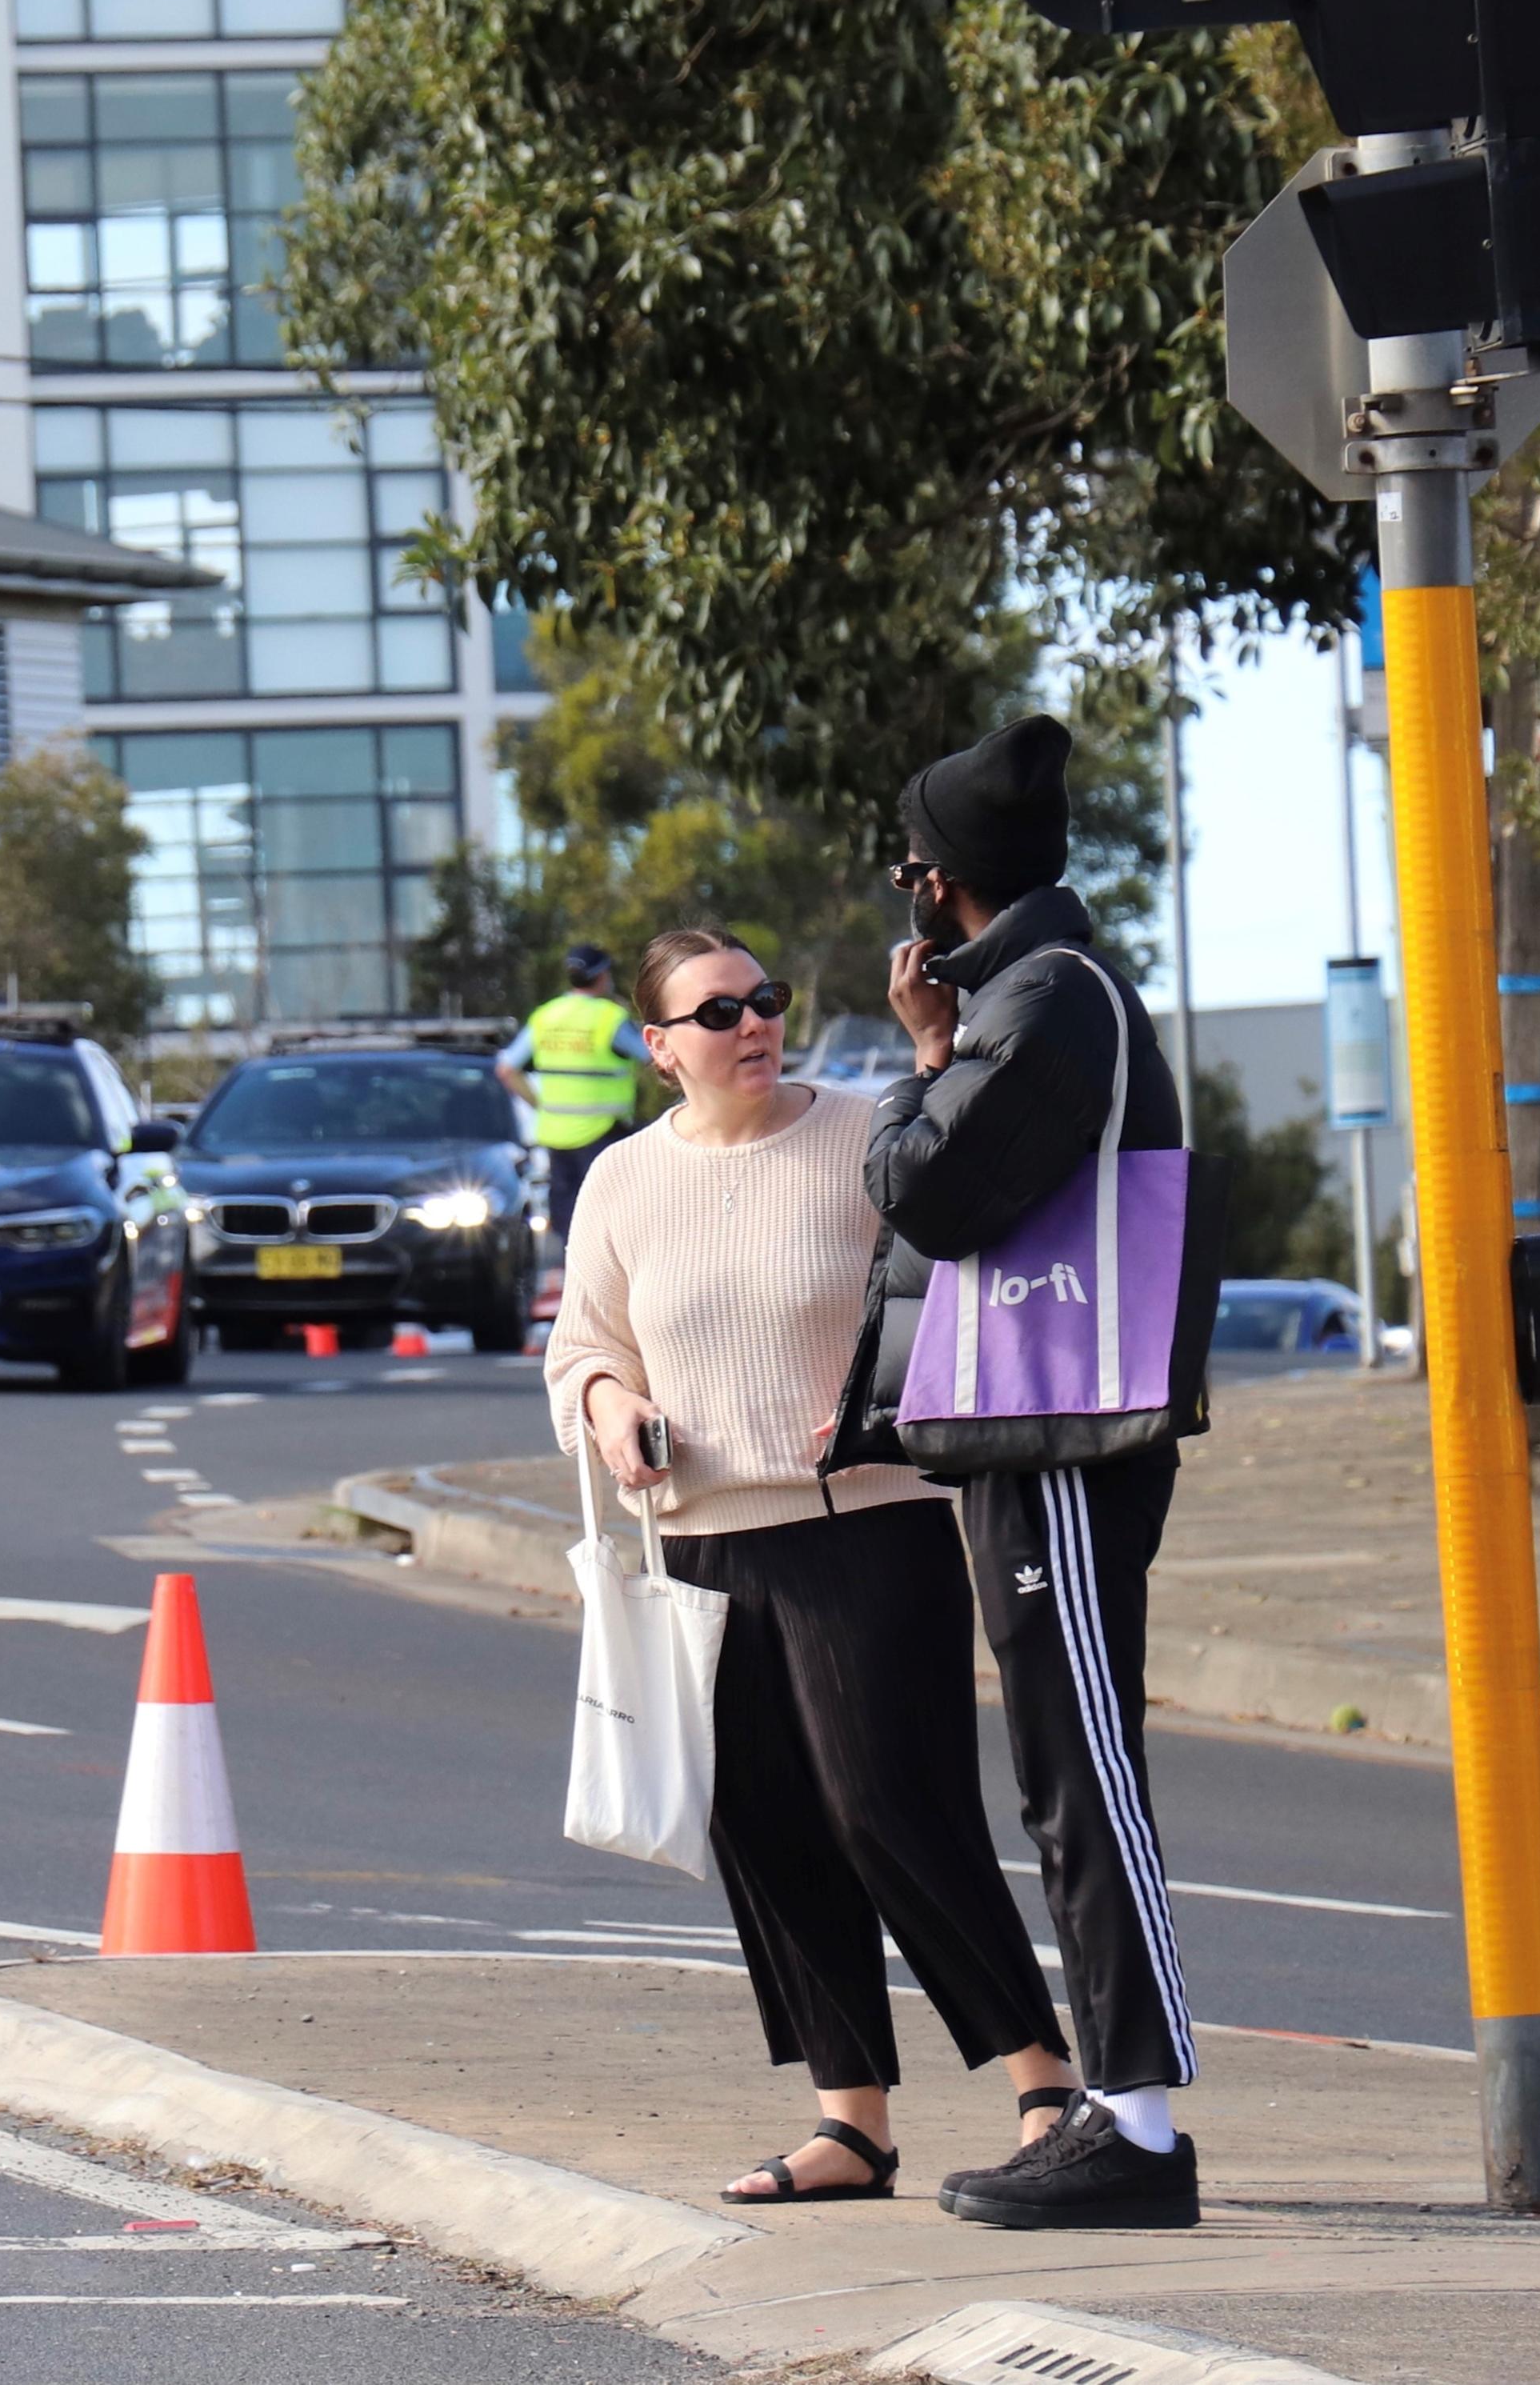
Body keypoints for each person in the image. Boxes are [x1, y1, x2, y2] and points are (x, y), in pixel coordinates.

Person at [549, 926, 1077, 2207]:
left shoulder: (858, 1134)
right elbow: (583, 1349)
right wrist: (613, 1406)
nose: (752, 1025)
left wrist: (934, 1057)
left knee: (890, 1806)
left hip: (865, 1523)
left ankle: (1047, 2085)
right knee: (767, 1825)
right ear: (659, 1046)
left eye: (765, 1000)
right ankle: (853, 2123)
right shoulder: (621, 1179)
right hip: (701, 1541)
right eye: (717, 1012)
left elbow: (961, 1260)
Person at [845, 714, 1204, 2231]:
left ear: (942, 881)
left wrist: (920, 1064)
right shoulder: (1040, 991)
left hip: (1059, 1426)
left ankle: (1141, 2127)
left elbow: (930, 1194)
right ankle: (1118, 2112)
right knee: (1063, 1769)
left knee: (1084, 1767)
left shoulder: (1051, 999)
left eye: (909, 869)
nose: (907, 893)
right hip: (1032, 1424)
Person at [500, 942, 646, 1255]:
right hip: (602, 1132)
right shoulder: (609, 1017)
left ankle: (574, 1275)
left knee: (570, 1223)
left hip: (557, 1133)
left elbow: (506, 1069)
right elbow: (652, 1055)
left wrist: (540, 1105)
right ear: (603, 976)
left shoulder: (546, 1015)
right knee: (610, 1221)